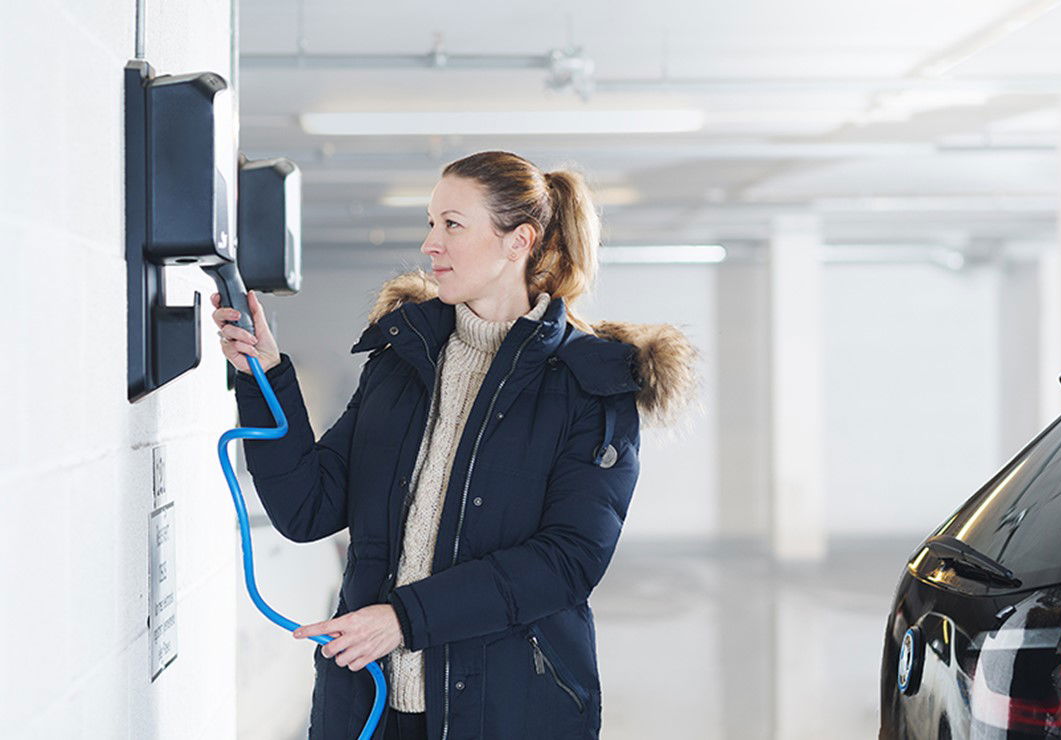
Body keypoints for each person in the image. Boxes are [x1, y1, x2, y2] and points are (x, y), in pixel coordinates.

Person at [212, 150, 700, 739]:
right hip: (371, 707)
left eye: (452, 224)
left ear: (517, 241)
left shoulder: (589, 386)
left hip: (507, 712)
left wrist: (404, 620)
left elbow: (568, 561)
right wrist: (265, 377)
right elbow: (308, 507)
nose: (430, 245)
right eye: (430, 223)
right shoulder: (401, 359)